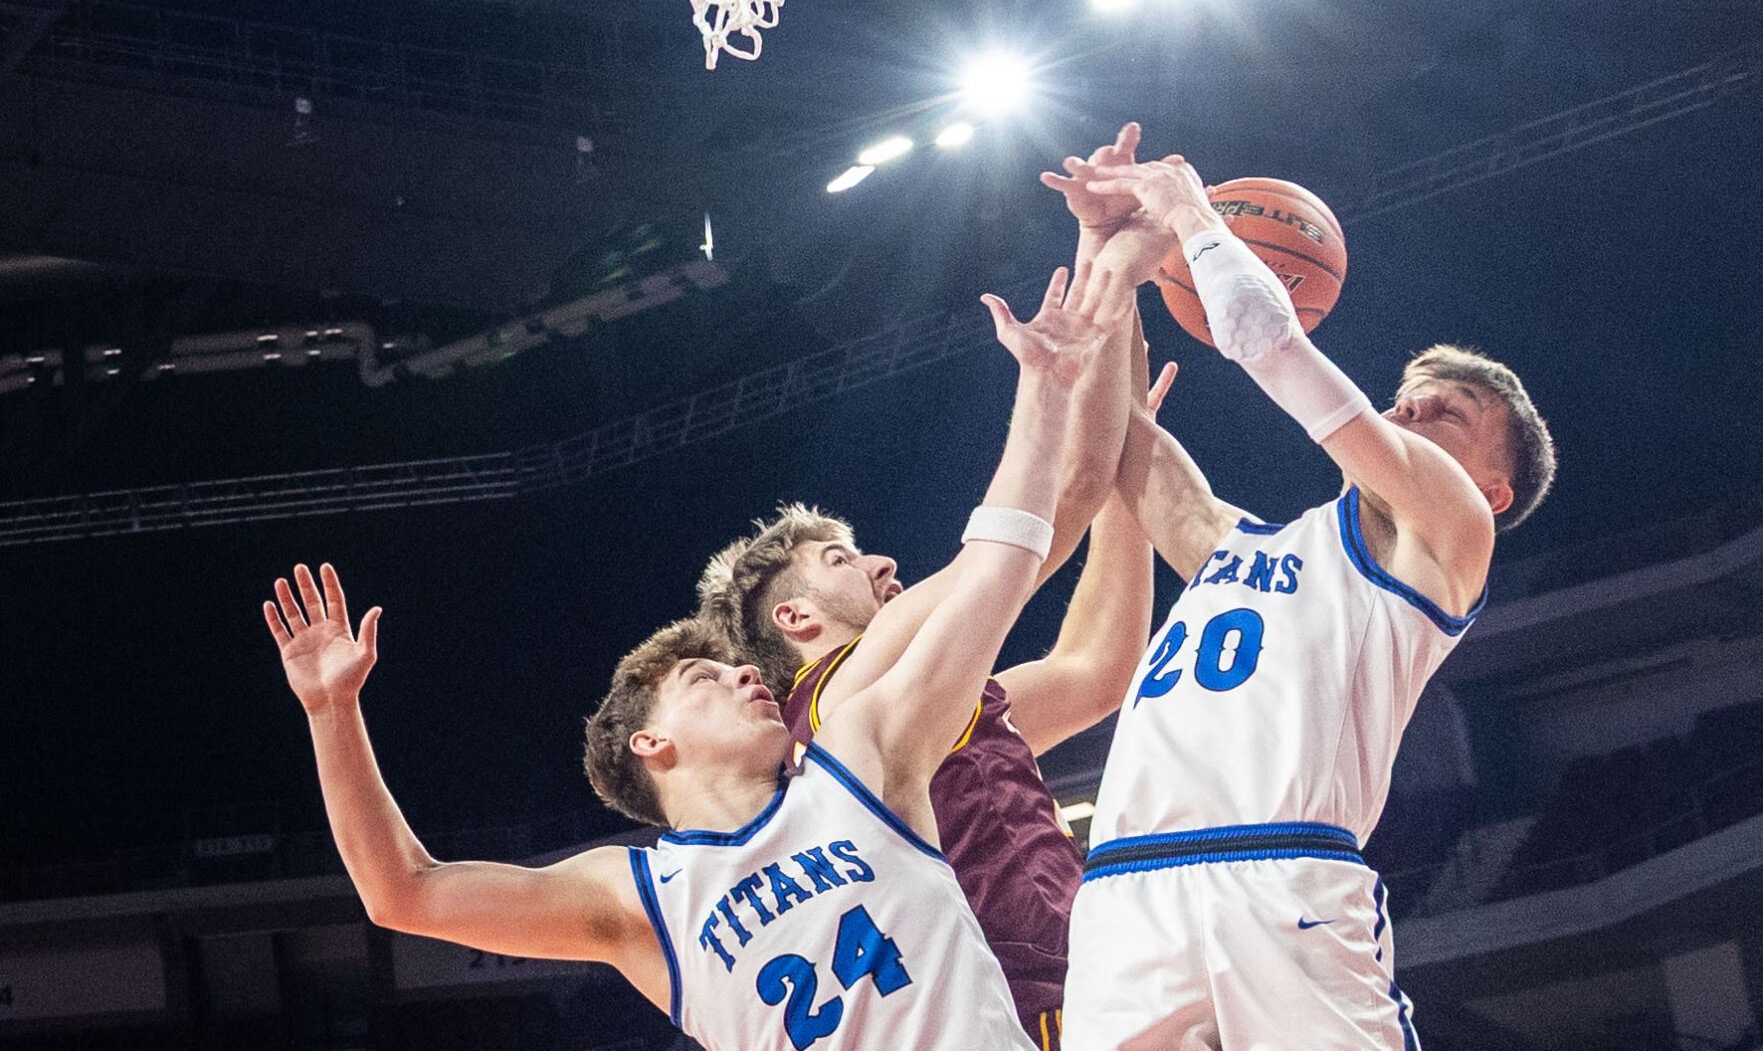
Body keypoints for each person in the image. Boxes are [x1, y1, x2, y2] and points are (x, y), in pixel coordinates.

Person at [261, 259, 1132, 1051]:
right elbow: (402, 892)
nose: (747, 673)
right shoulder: (633, 896)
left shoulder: (859, 756)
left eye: (733, 664)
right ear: (649, 741)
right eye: (703, 677)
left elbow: (998, 567)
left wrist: (1044, 389)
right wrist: (331, 713)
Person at [1051, 148, 1557, 1050]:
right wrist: (1112, 261)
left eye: (1443, 414)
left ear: (1492, 488)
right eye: (1404, 402)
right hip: (1123, 888)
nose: (1401, 417)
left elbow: (1273, 346)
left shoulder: (1449, 538)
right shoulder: (1237, 547)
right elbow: (1123, 441)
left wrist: (1196, 219)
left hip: (1281, 872)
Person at [692, 126, 1166, 1051]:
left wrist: (1129, 485)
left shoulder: (899, 718)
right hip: (1018, 999)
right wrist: (1103, 264)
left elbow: (1098, 669)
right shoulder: (841, 694)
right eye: (841, 560)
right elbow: (1057, 500)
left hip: (1071, 980)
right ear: (793, 620)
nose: (879, 566)